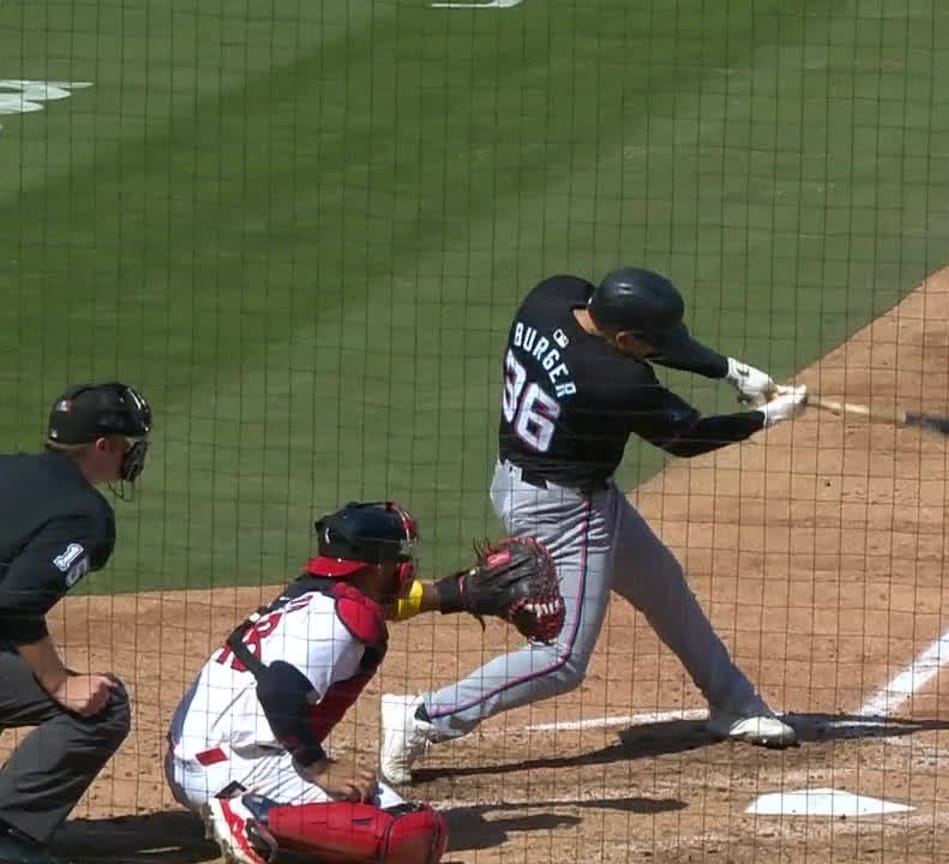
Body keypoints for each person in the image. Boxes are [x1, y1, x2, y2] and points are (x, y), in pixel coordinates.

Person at [378, 266, 808, 784]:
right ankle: (424, 719)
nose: (659, 348)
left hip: (523, 478)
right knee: (561, 659)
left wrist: (727, 369)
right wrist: (766, 419)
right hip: (565, 510)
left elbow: (644, 342)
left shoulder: (552, 297)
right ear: (624, 338)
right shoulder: (615, 381)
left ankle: (733, 703)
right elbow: (688, 438)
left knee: (660, 582)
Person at [166, 500, 555, 864]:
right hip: (236, 768)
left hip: (203, 754)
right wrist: (320, 767)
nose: (406, 564)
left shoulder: (313, 594)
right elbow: (278, 689)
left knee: (358, 831)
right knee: (415, 834)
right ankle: (249, 816)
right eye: (397, 556)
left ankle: (273, 829)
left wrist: (459, 594)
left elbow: (382, 605)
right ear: (374, 566)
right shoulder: (336, 622)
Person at [0, 382, 153, 864]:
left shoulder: (6, 468)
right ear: (103, 447)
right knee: (101, 706)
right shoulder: (84, 514)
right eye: (127, 444)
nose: (131, 454)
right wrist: (59, 680)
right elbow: (18, 602)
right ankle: (9, 838)